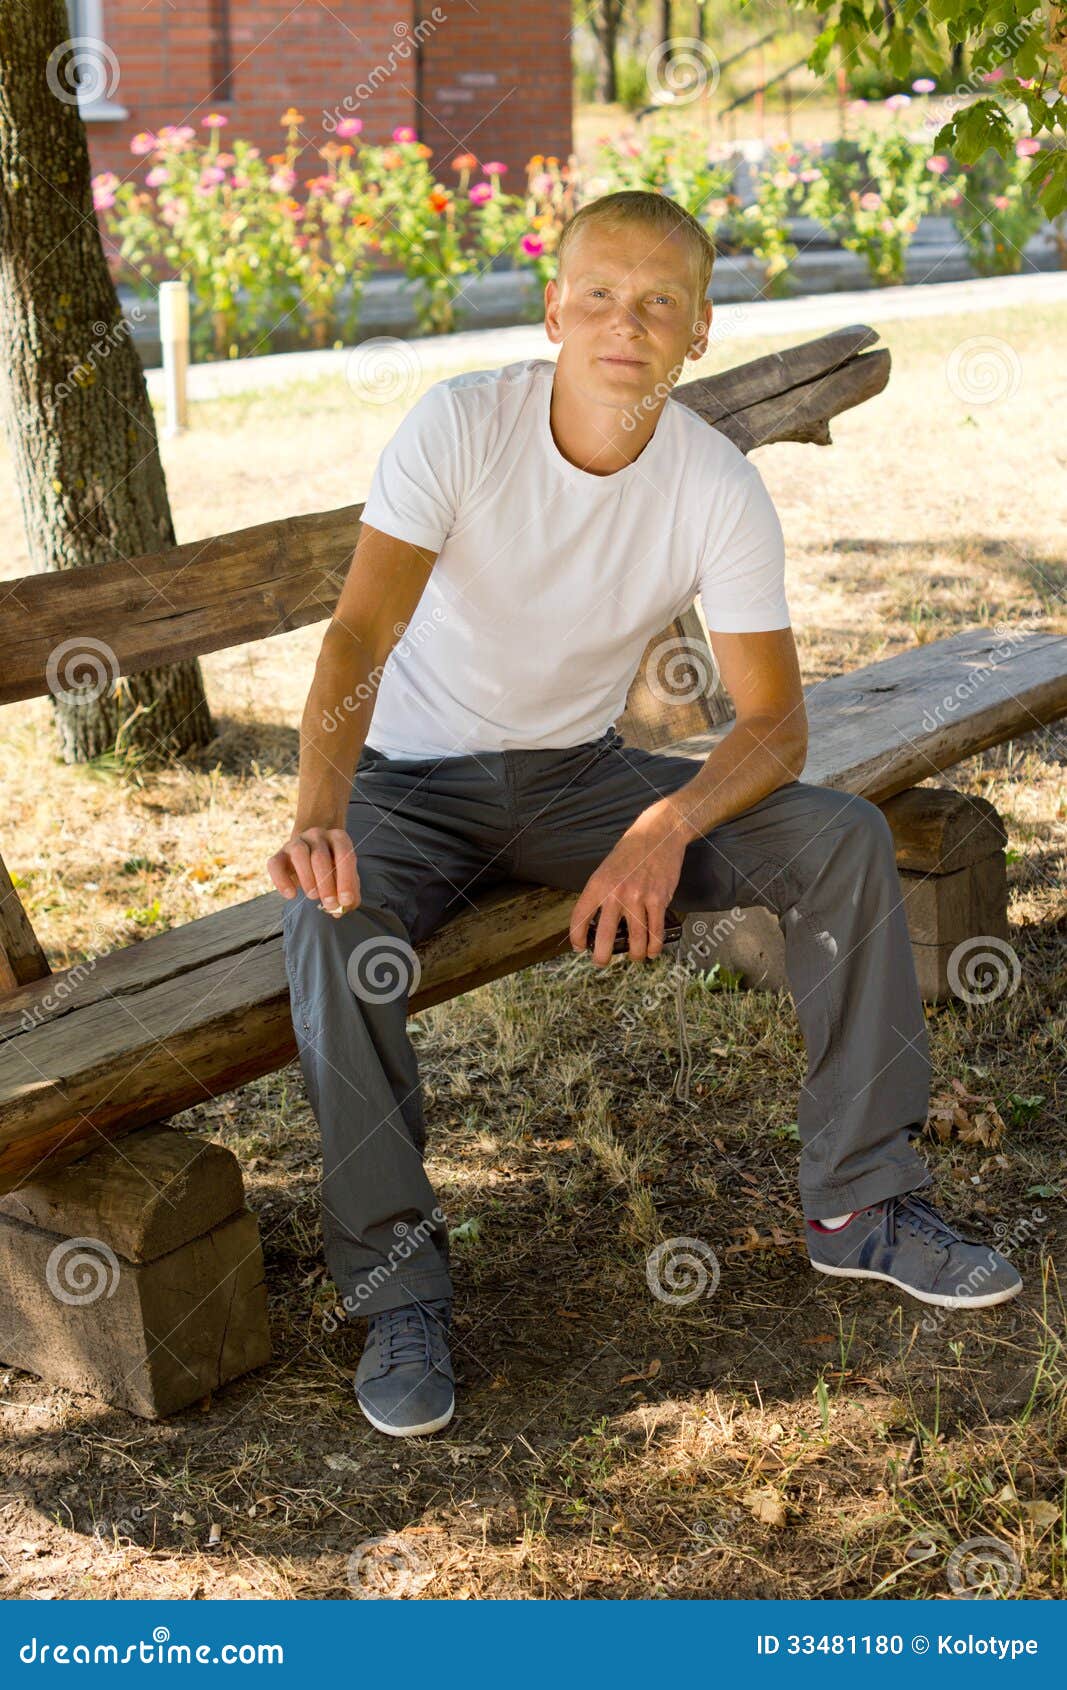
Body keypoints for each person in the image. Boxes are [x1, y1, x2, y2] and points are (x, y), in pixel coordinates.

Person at [266, 189, 1022, 1440]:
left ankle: (859, 1205)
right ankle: (399, 1292)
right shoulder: (461, 427)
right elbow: (358, 632)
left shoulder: (711, 486)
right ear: (554, 307)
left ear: (698, 333)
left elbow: (774, 723)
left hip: (574, 776)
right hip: (407, 782)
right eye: (600, 294)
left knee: (835, 836)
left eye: (658, 301)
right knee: (328, 929)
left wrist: (663, 823)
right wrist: (320, 808)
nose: (627, 320)